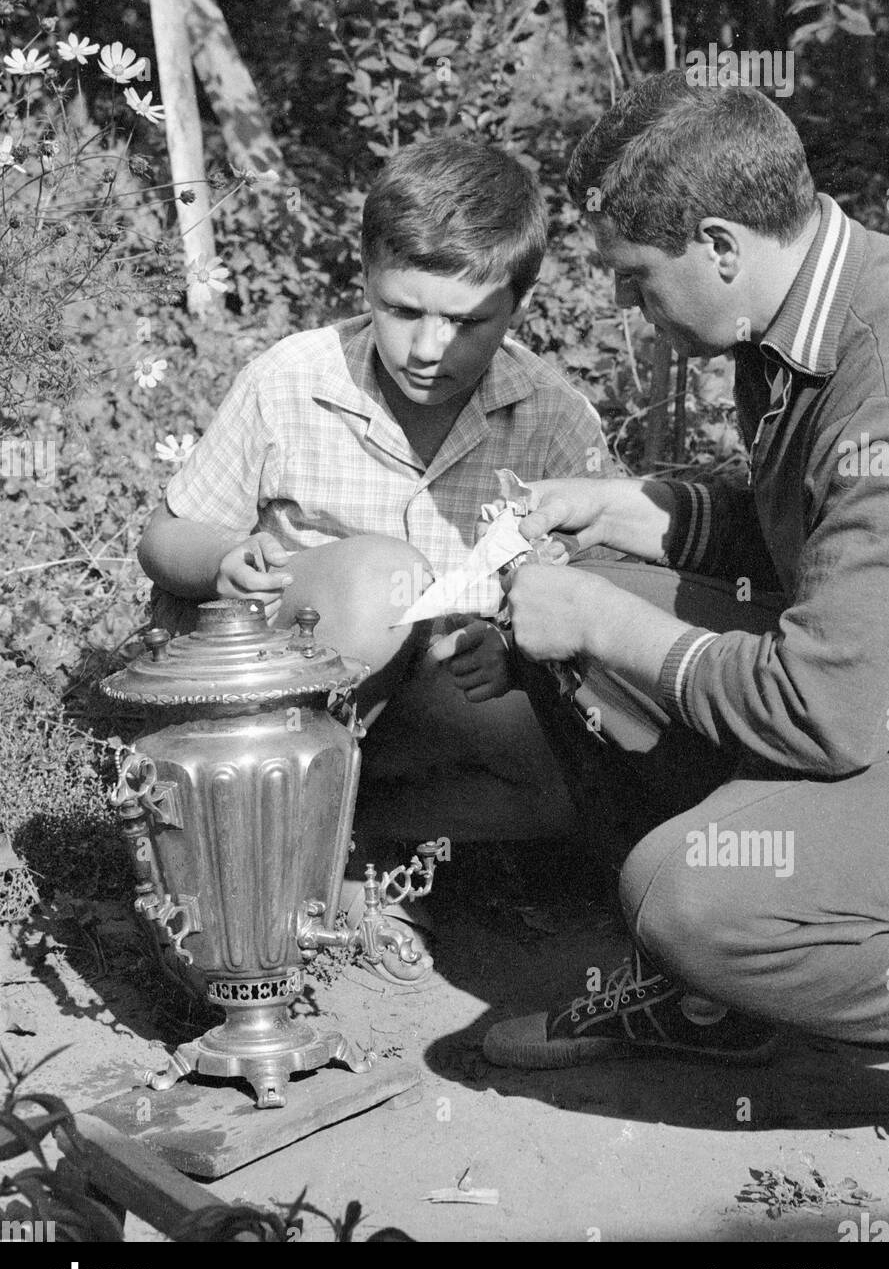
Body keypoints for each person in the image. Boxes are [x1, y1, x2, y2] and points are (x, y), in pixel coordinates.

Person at [478, 71, 889, 1068]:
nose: (623, 301)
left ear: (717, 245)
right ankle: (714, 1003)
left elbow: (826, 708)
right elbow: (815, 538)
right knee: (578, 583)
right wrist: (628, 509)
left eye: (631, 273)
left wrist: (605, 626)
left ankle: (721, 954)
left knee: (691, 893)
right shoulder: (794, 314)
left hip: (855, 698)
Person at [137, 136, 618, 847]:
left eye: (465, 322)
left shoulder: (555, 420)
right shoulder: (293, 381)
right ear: (364, 276)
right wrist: (222, 560)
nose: (429, 349)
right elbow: (163, 537)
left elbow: (595, 592)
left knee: (570, 776)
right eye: (404, 312)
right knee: (381, 581)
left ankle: (338, 849)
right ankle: (244, 813)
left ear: (517, 302)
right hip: (271, 695)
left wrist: (514, 651)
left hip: (429, 706)